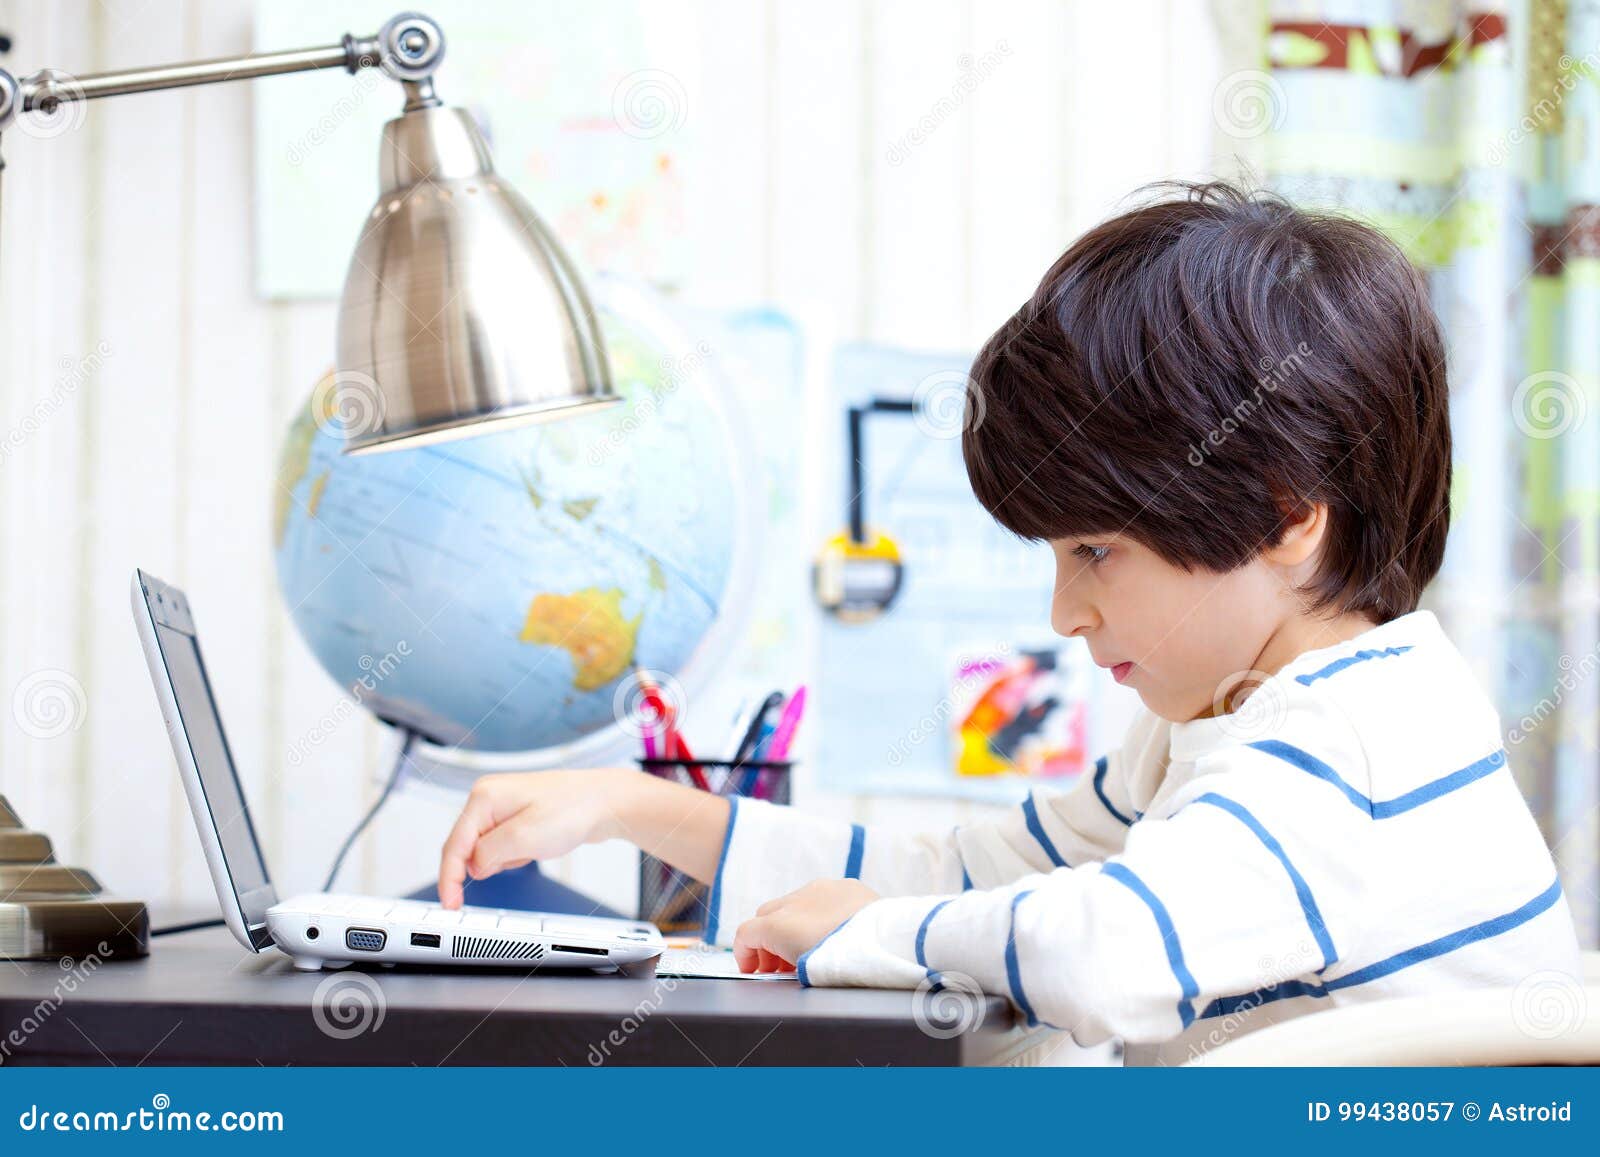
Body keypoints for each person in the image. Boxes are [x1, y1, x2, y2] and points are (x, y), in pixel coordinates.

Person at [436, 182, 1582, 1064]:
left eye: (1094, 550)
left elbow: (1105, 948)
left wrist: (860, 938)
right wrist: (630, 806)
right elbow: (959, 870)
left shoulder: (1352, 746)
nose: (1064, 611)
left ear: (1286, 519)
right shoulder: (1221, 723)